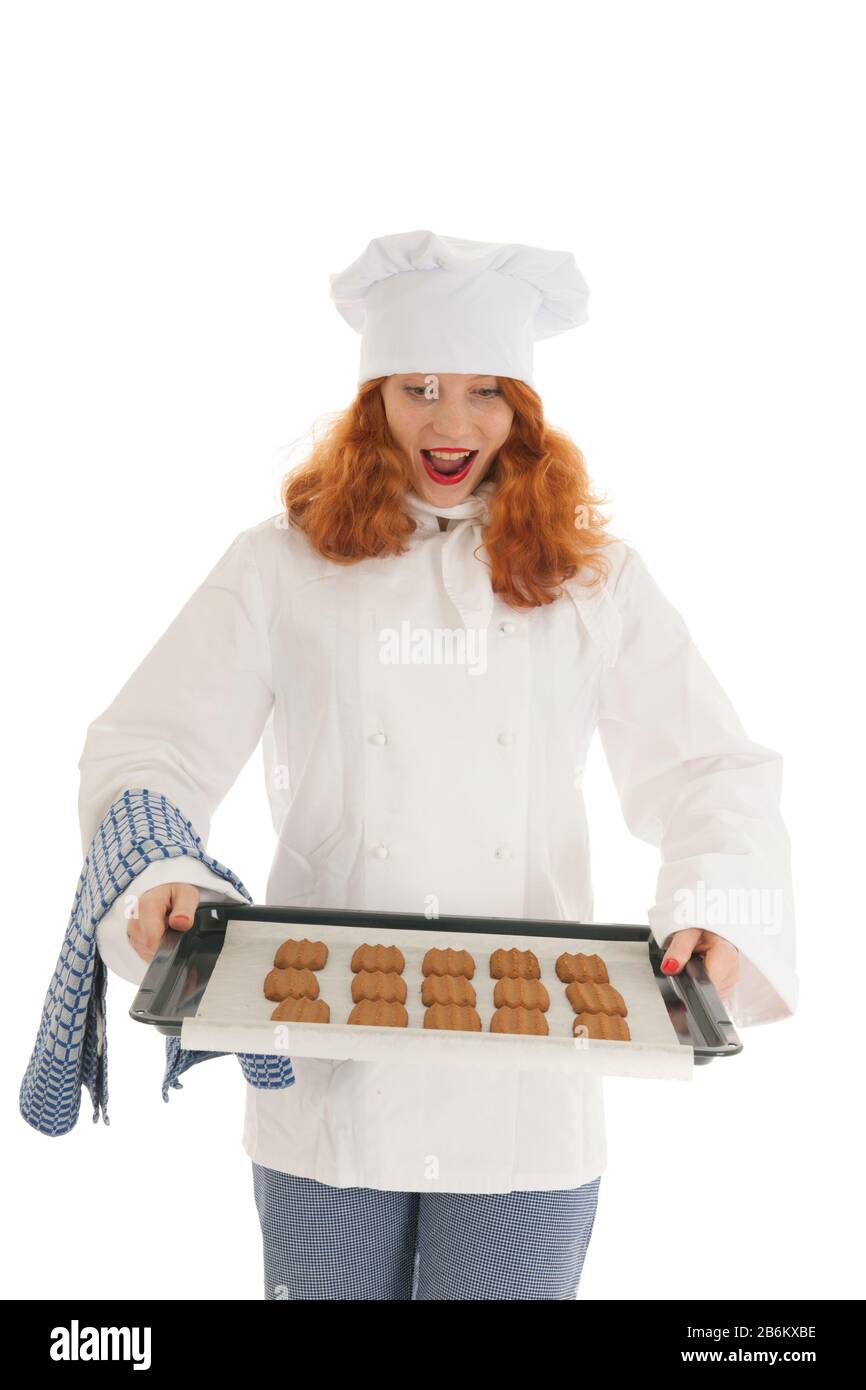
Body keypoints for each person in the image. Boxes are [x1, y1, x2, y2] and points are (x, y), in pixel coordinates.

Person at [79, 230, 798, 1300]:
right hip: (328, 1075)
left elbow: (711, 765)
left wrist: (711, 908)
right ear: (372, 402)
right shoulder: (278, 566)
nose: (450, 424)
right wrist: (155, 879)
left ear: (522, 412)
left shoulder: (593, 579)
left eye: (482, 392)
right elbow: (150, 746)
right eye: (417, 387)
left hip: (527, 1079)